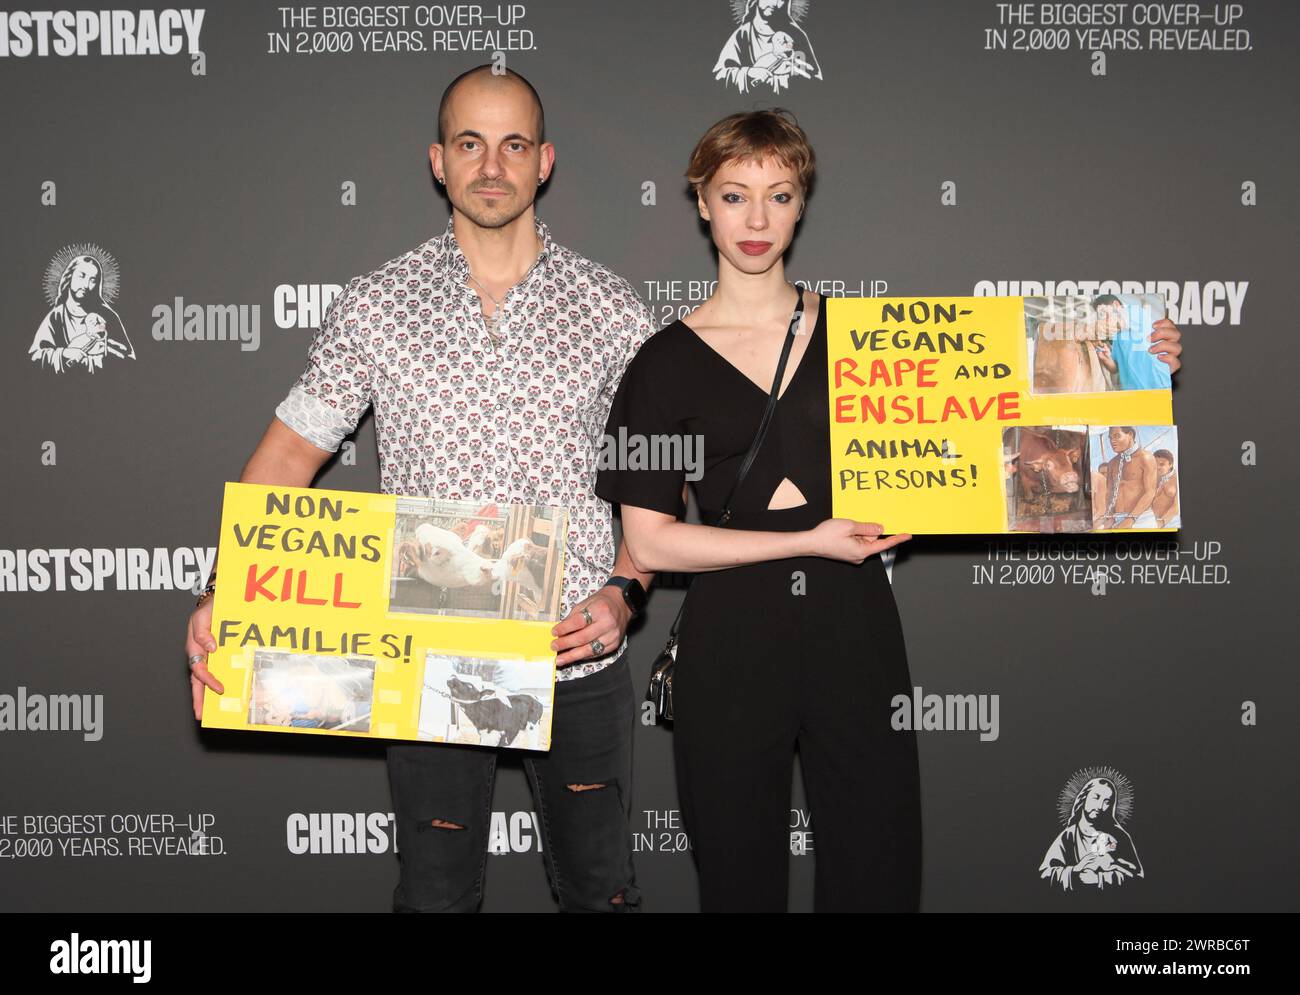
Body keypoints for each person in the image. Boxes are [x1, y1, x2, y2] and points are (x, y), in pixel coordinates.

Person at [594, 109, 1184, 912]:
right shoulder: (662, 363)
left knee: (877, 874)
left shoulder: (876, 339)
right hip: (730, 647)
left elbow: (1018, 412)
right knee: (737, 887)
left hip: (855, 632)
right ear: (702, 202)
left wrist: (1135, 364)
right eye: (734, 196)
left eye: (778, 195)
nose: (757, 219)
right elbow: (650, 541)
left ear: (802, 204)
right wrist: (806, 540)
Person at [185, 64, 656, 913]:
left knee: (603, 896)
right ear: (438, 160)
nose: (492, 167)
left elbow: (654, 483)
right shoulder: (378, 305)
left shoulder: (613, 309)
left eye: (513, 145)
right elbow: (289, 454)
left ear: (544, 161)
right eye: (470, 144)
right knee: (435, 899)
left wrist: (627, 588)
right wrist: (227, 589)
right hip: (427, 650)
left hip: (576, 649)